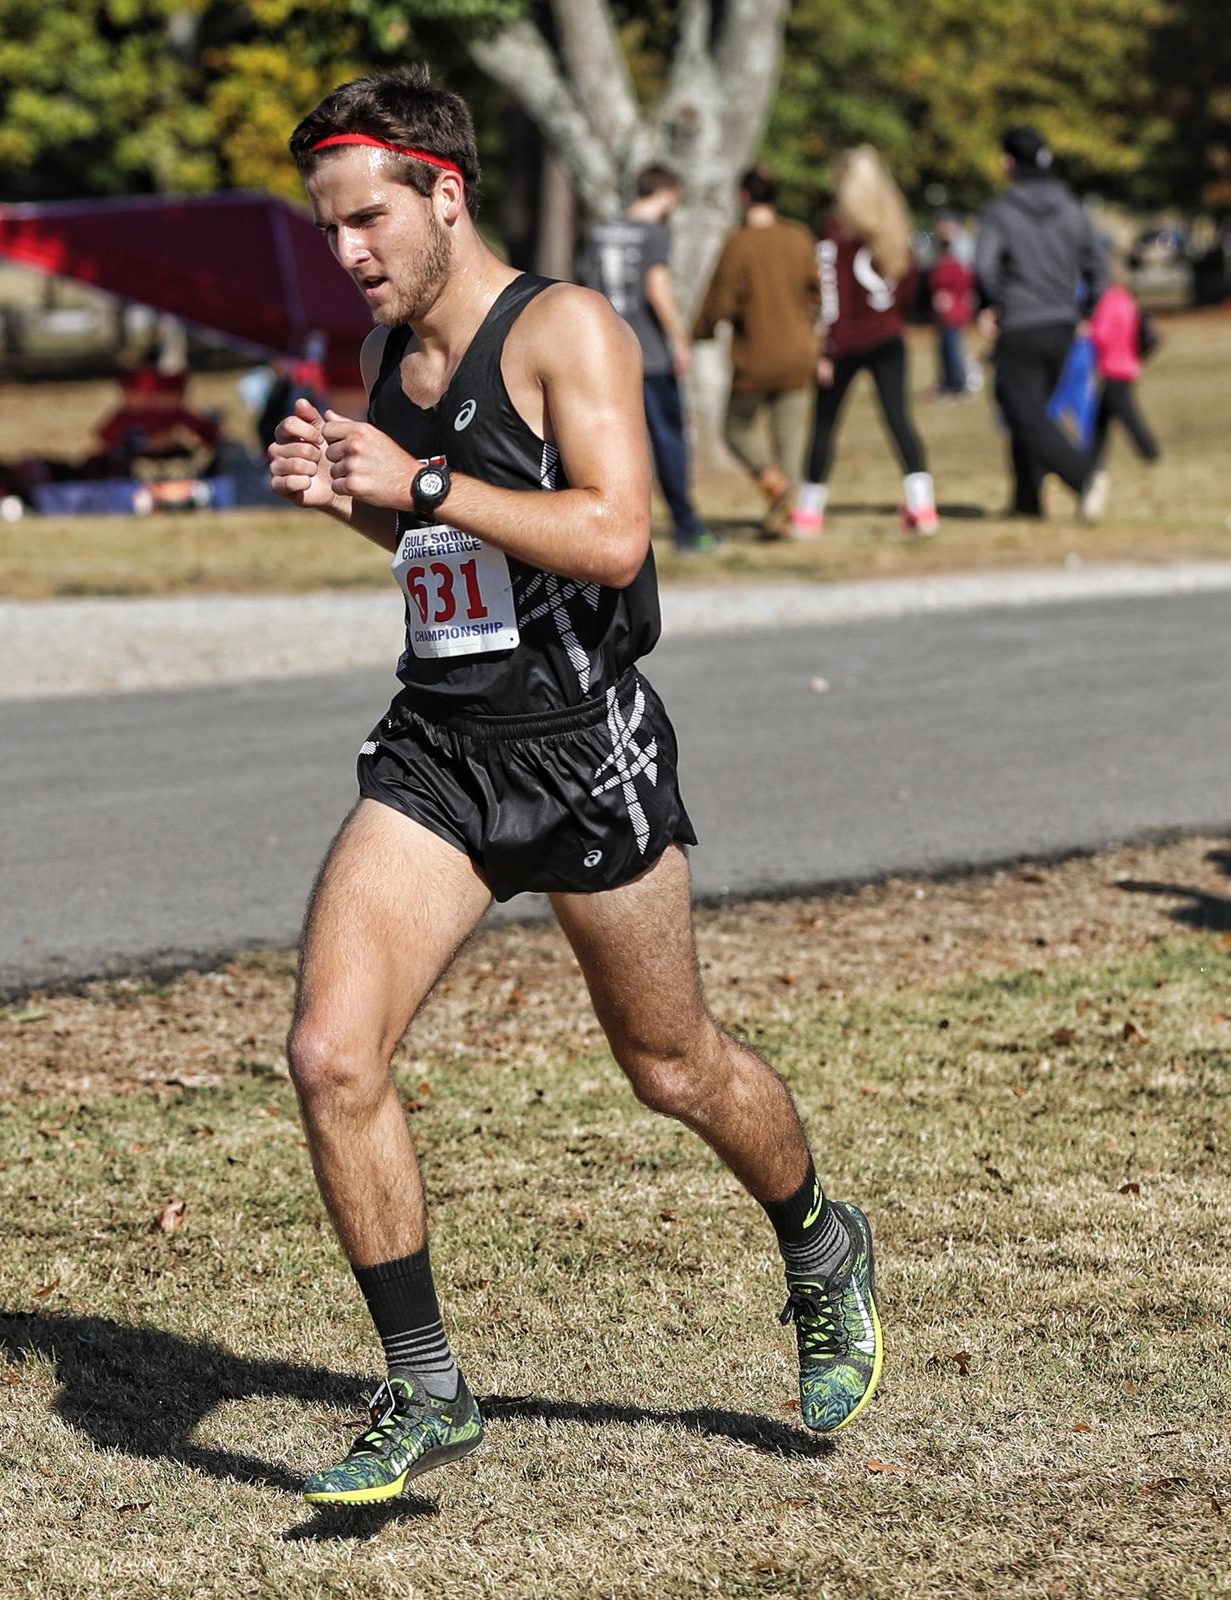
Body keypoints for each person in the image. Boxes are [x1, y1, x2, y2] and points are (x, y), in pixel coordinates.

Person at [266, 67, 883, 1507]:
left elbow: (610, 538)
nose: (347, 252)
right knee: (330, 1055)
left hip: (581, 745)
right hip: (441, 748)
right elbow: (454, 563)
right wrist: (353, 498)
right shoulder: (392, 363)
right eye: (329, 229)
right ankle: (426, 1387)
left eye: (367, 220)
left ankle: (818, 1240)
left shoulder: (562, 329)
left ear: (444, 194)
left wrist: (411, 487)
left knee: (672, 1068)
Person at [786, 148, 936, 538]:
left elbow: (832, 297)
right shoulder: (896, 227)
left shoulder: (836, 231)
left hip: (847, 344)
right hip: (889, 337)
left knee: (824, 423)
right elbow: (909, 291)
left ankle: (808, 512)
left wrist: (828, 348)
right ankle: (923, 506)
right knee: (899, 418)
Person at [975, 127, 1108, 521]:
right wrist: (1086, 311)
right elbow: (1099, 266)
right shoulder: (1072, 207)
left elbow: (984, 266)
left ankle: (1083, 476)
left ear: (1008, 162)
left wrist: (993, 303)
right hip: (1062, 326)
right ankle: (1028, 502)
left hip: (1021, 321)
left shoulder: (1001, 212)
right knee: (1031, 409)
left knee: (1022, 411)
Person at [578, 165, 711, 552]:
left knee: (612, 441)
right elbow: (657, 287)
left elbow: (585, 284)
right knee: (669, 438)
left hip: (607, 353)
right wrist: (679, 337)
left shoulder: (601, 231)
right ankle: (687, 525)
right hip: (649, 354)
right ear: (668, 193)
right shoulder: (655, 234)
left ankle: (611, 519)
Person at [692, 164, 820, 536]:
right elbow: (817, 293)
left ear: (743, 197)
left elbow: (720, 302)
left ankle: (773, 485)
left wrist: (699, 331)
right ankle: (792, 517)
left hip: (756, 359)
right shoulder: (799, 237)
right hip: (798, 355)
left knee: (735, 428)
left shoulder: (739, 244)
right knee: (790, 441)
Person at [1086, 252, 1160, 493]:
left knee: (1126, 415)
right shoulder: (1128, 299)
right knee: (1102, 417)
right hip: (1127, 365)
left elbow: (1102, 334)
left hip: (1113, 367)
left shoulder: (1109, 300)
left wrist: (1087, 332)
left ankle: (1149, 451)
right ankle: (1093, 456)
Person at [928, 217, 976, 400]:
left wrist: (950, 299)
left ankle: (958, 386)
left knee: (954, 349)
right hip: (942, 315)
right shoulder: (941, 260)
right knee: (944, 350)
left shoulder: (958, 262)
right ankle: (947, 384)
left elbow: (964, 285)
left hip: (954, 313)